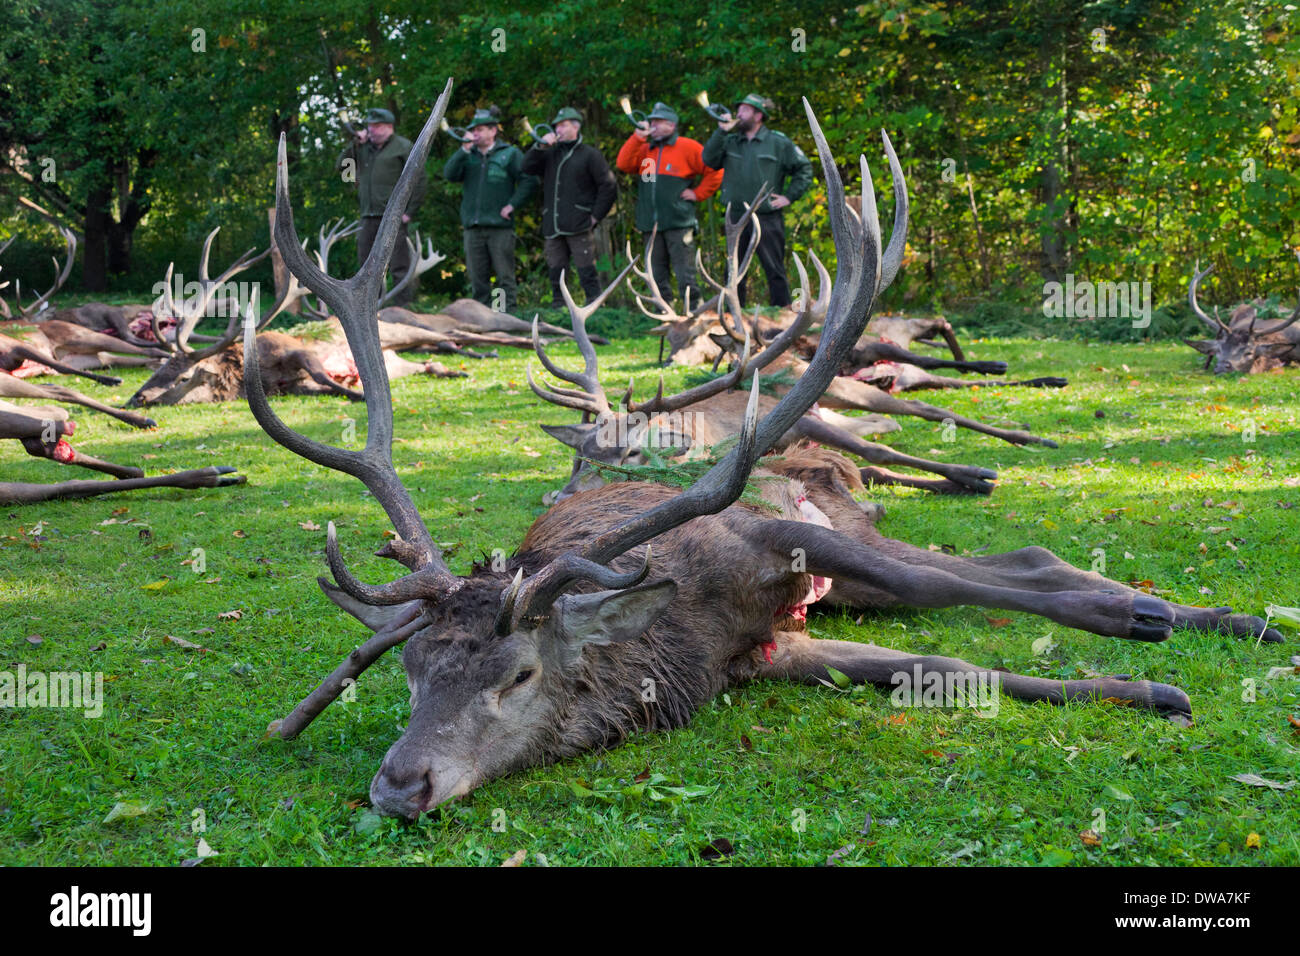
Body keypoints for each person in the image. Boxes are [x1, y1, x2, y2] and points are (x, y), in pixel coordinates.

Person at [701, 93, 813, 308]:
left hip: (767, 216)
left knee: (775, 270)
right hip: (735, 217)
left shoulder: (778, 142)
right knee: (733, 271)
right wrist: (721, 131)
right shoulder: (730, 141)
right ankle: (733, 315)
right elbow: (708, 160)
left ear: (758, 115)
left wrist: (789, 197)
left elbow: (804, 168)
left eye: (744, 110)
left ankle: (783, 315)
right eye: (738, 109)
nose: (738, 114)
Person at [615, 102, 722, 309]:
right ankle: (665, 318)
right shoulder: (645, 149)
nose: (652, 125)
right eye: (651, 121)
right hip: (650, 226)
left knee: (686, 275)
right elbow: (623, 164)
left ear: (671, 125)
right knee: (656, 276)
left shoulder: (688, 147)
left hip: (679, 223)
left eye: (658, 122)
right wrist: (638, 137)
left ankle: (695, 316)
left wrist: (698, 193)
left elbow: (715, 170)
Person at [442, 108, 537, 314]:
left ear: (493, 131)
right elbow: (449, 174)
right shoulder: (468, 155)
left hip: (499, 227)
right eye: (473, 130)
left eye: (480, 129)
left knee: (503, 276)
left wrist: (512, 205)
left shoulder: (509, 154)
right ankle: (482, 318)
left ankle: (502, 317)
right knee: (478, 277)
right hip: (473, 228)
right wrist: (463, 150)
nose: (475, 134)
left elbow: (529, 180)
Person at [521, 107, 617, 304]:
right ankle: (559, 307)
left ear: (576, 127)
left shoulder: (590, 154)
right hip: (552, 223)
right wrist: (540, 147)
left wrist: (596, 216)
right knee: (556, 268)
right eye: (556, 125)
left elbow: (608, 186)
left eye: (563, 125)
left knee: (586, 270)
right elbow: (526, 167)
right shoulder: (549, 153)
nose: (558, 129)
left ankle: (594, 305)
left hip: (579, 223)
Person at [338, 107, 427, 306]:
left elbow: (419, 180)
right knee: (366, 266)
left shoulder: (403, 147)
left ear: (389, 127)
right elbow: (344, 171)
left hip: (393, 217)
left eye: (376, 126)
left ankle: (405, 309)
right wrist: (353, 145)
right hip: (368, 216)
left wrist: (409, 212)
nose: (371, 130)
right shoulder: (362, 148)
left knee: (400, 265)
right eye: (369, 126)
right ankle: (370, 308)